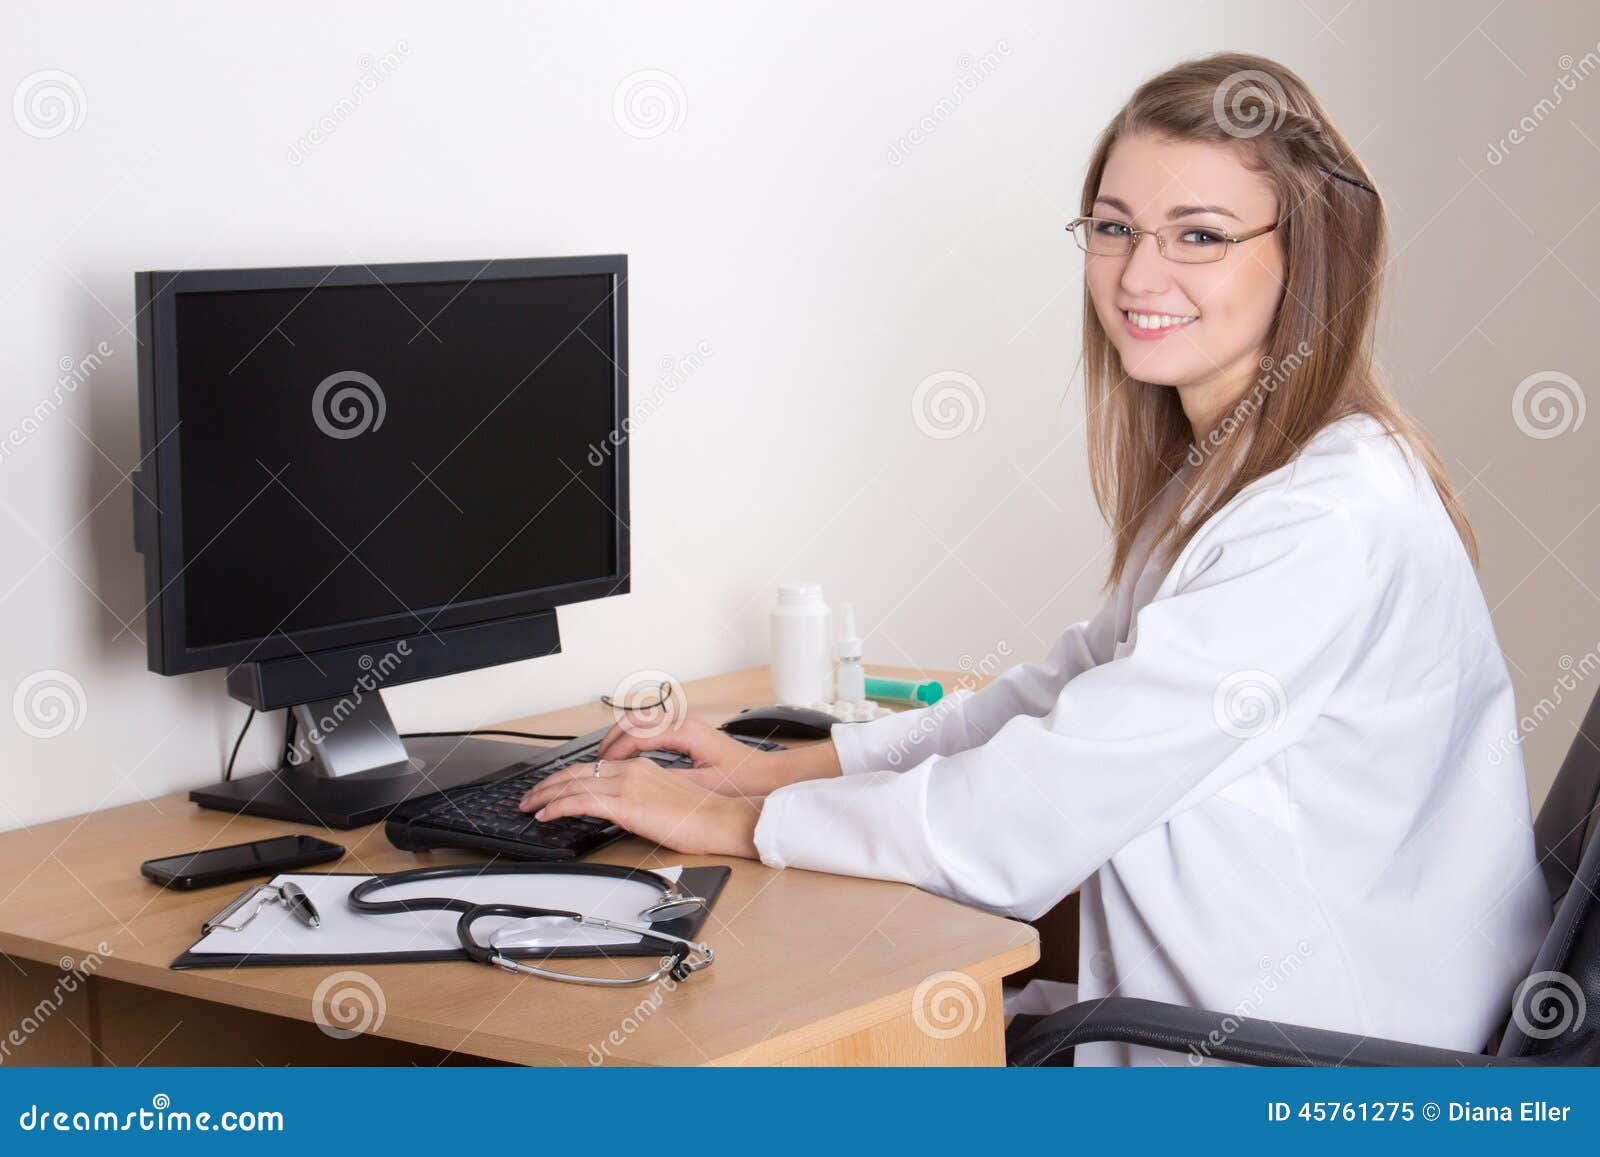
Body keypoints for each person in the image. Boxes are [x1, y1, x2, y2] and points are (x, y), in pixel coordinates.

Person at [518, 52, 1550, 1065]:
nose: (1139, 275)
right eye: (1113, 228)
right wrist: (782, 769)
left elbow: (1024, 817)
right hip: (1255, 1015)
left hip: (1312, 1068)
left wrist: (725, 822)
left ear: (1303, 254)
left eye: (1200, 235)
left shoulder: (1322, 520)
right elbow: (1058, 692)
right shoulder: (1240, 470)